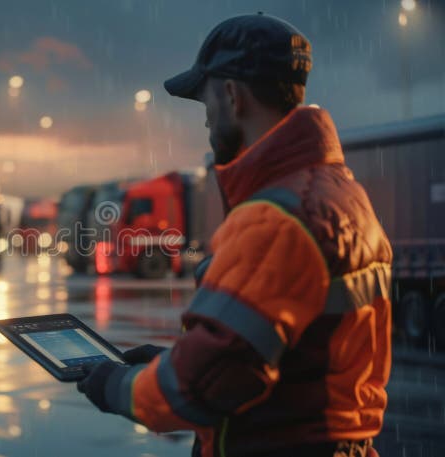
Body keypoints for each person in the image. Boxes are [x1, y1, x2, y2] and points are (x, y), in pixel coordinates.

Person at [77, 13, 391, 457]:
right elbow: (271, 355)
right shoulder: (341, 193)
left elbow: (195, 391)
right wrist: (175, 360)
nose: (206, 121)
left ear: (231, 95)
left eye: (206, 104)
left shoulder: (277, 218)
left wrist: (117, 386)